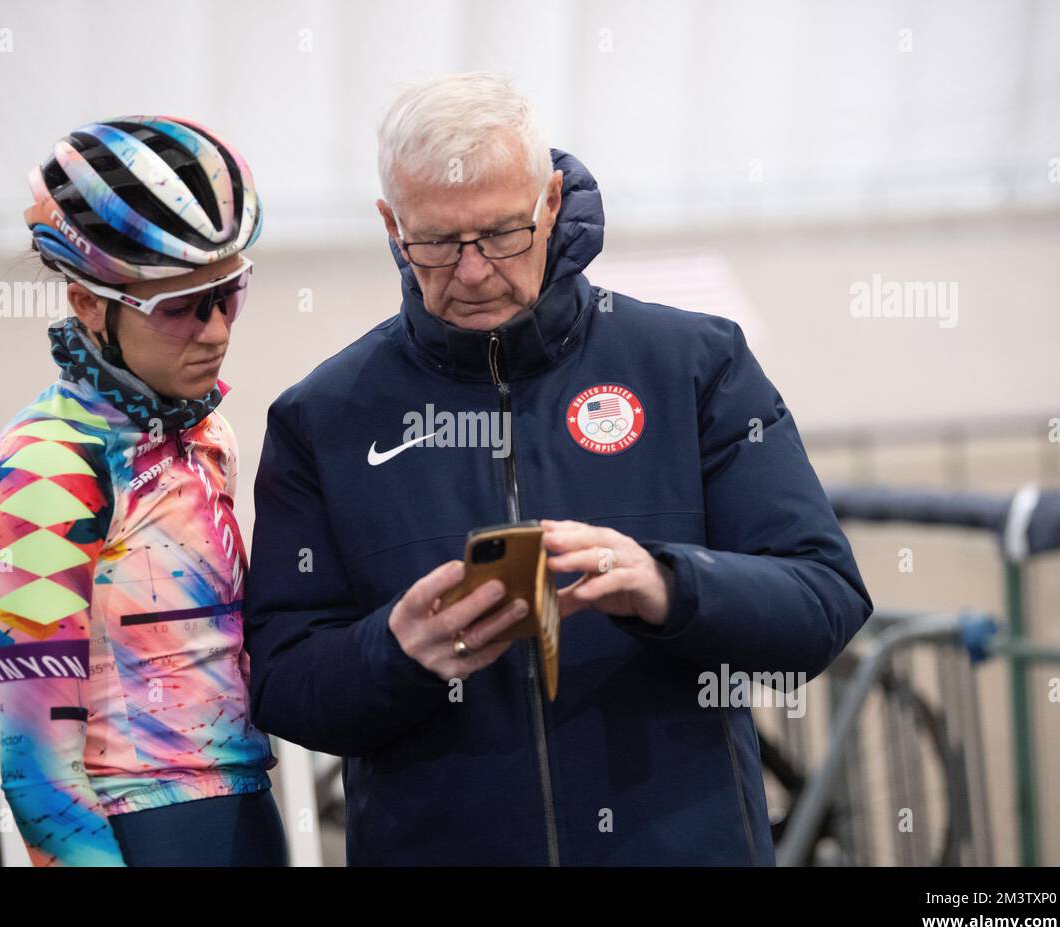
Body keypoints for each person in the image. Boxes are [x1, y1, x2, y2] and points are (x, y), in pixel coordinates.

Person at [243, 74, 874, 865]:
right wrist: (395, 652)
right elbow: (282, 682)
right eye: (435, 243)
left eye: (503, 234)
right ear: (389, 225)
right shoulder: (324, 418)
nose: (471, 272)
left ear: (551, 201)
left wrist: (666, 585)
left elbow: (824, 601)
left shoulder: (694, 366)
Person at [0, 115, 286, 866]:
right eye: (179, 307)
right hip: (141, 829)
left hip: (245, 813)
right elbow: (39, 774)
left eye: (228, 295)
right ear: (87, 305)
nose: (214, 331)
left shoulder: (205, 436)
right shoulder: (45, 469)